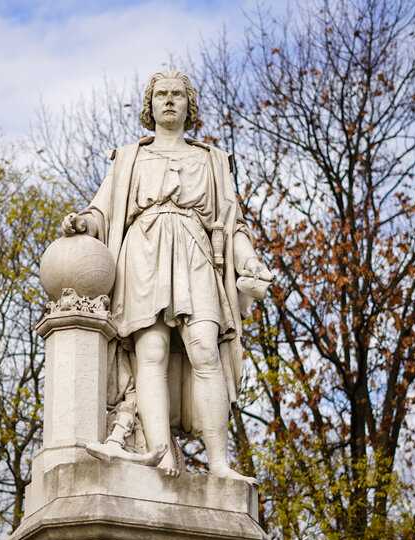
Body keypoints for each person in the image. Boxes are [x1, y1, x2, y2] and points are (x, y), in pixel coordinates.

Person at [61, 71, 273, 484]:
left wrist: (249, 262)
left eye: (177, 94)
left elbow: (234, 227)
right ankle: (160, 452)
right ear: (150, 104)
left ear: (188, 104)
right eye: (161, 94)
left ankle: (218, 463)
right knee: (152, 352)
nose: (169, 101)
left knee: (206, 351)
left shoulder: (212, 160)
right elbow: (101, 210)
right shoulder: (130, 158)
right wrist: (83, 223)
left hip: (195, 251)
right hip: (144, 252)